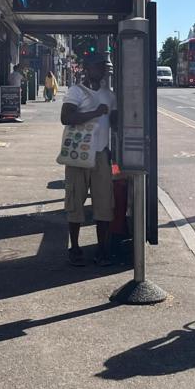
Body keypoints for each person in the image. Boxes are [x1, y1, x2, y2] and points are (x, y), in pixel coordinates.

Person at [61, 54, 117, 267]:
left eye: (104, 67)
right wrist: (95, 112)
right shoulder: (76, 91)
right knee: (75, 202)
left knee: (104, 204)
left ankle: (102, 249)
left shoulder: (109, 95)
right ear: (87, 69)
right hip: (77, 155)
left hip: (101, 155)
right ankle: (74, 247)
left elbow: (114, 122)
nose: (102, 71)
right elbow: (66, 117)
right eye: (98, 67)